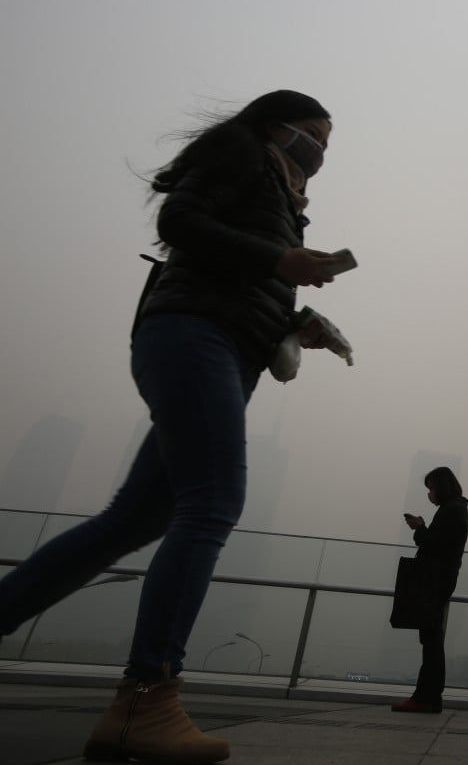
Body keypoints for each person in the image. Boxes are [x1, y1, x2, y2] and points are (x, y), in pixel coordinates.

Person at [0, 90, 348, 764]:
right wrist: (281, 263)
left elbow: (240, 275)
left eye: (328, 144)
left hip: (219, 343)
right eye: (312, 134)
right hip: (195, 338)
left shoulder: (281, 194)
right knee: (213, 501)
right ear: (274, 125)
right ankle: (148, 698)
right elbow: (180, 222)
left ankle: (134, 703)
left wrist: (298, 320)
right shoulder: (243, 153)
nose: (321, 152)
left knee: (132, 520)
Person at [392, 466, 468, 714]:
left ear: (441, 488)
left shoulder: (453, 510)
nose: (430, 494)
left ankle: (424, 697)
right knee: (432, 639)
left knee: (432, 641)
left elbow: (435, 543)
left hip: (435, 580)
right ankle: (431, 697)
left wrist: (419, 529)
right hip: (440, 579)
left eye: (431, 488)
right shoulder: (455, 509)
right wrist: (424, 527)